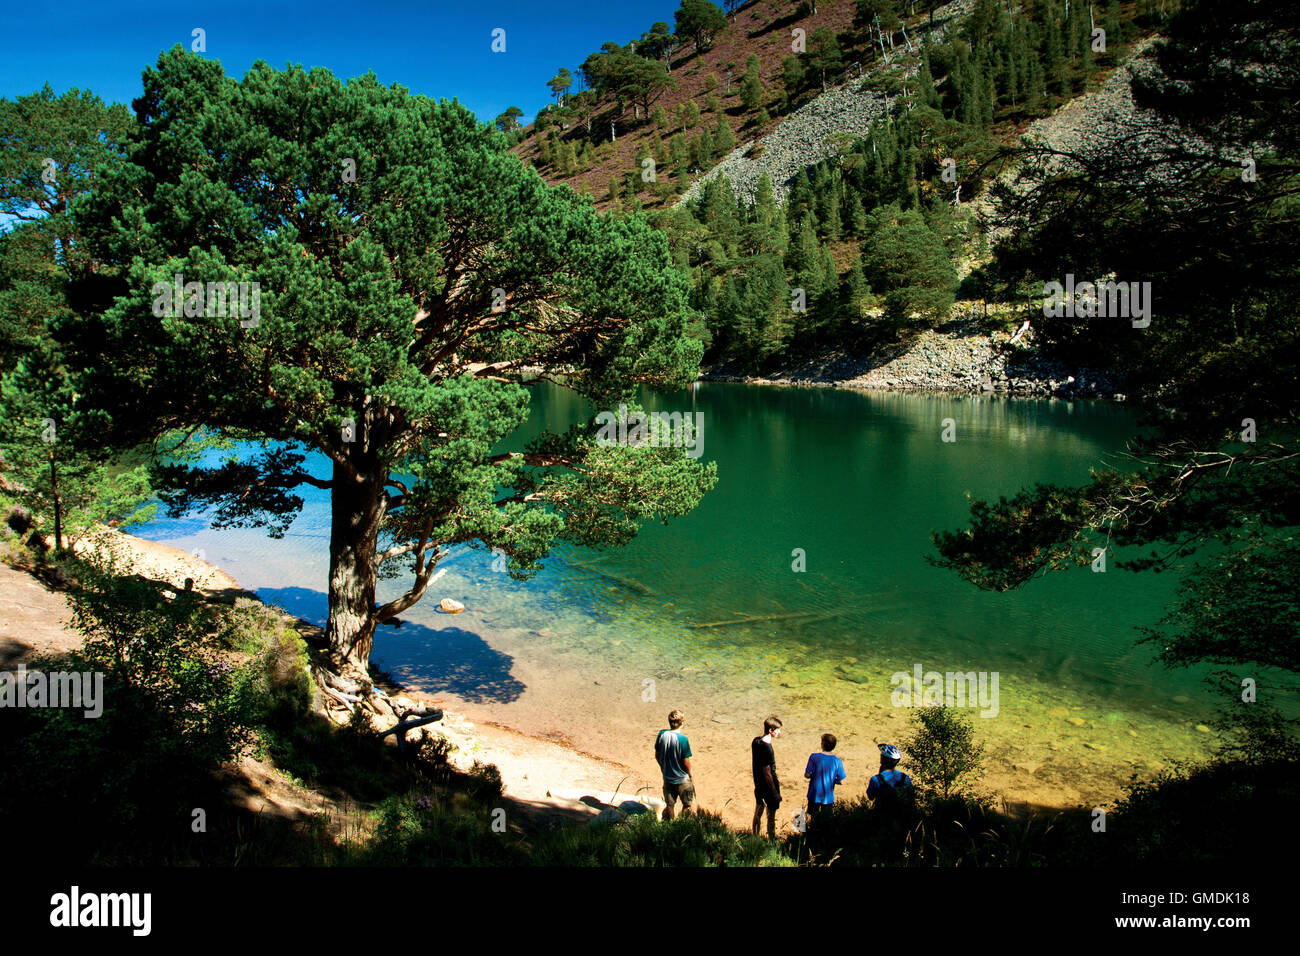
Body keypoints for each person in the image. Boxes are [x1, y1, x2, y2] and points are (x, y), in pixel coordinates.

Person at [655, 709, 695, 819]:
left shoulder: (661, 734)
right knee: (687, 805)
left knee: (670, 805)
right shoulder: (683, 740)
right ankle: (682, 825)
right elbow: (686, 762)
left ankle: (671, 824)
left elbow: (657, 755)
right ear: (682, 723)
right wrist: (691, 774)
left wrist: (664, 768)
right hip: (682, 779)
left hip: (668, 778)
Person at [751, 716, 783, 838]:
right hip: (769, 786)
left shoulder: (756, 741)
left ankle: (755, 836)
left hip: (758, 784)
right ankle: (771, 838)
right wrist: (774, 792)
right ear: (771, 730)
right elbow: (767, 772)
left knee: (758, 809)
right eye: (778, 730)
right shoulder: (767, 749)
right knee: (771, 814)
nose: (779, 732)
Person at [804, 733, 847, 821]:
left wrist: (815, 775)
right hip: (828, 797)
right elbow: (842, 781)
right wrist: (832, 780)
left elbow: (807, 775)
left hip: (814, 794)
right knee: (827, 820)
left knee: (812, 818)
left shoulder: (814, 757)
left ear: (822, 744)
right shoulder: (837, 761)